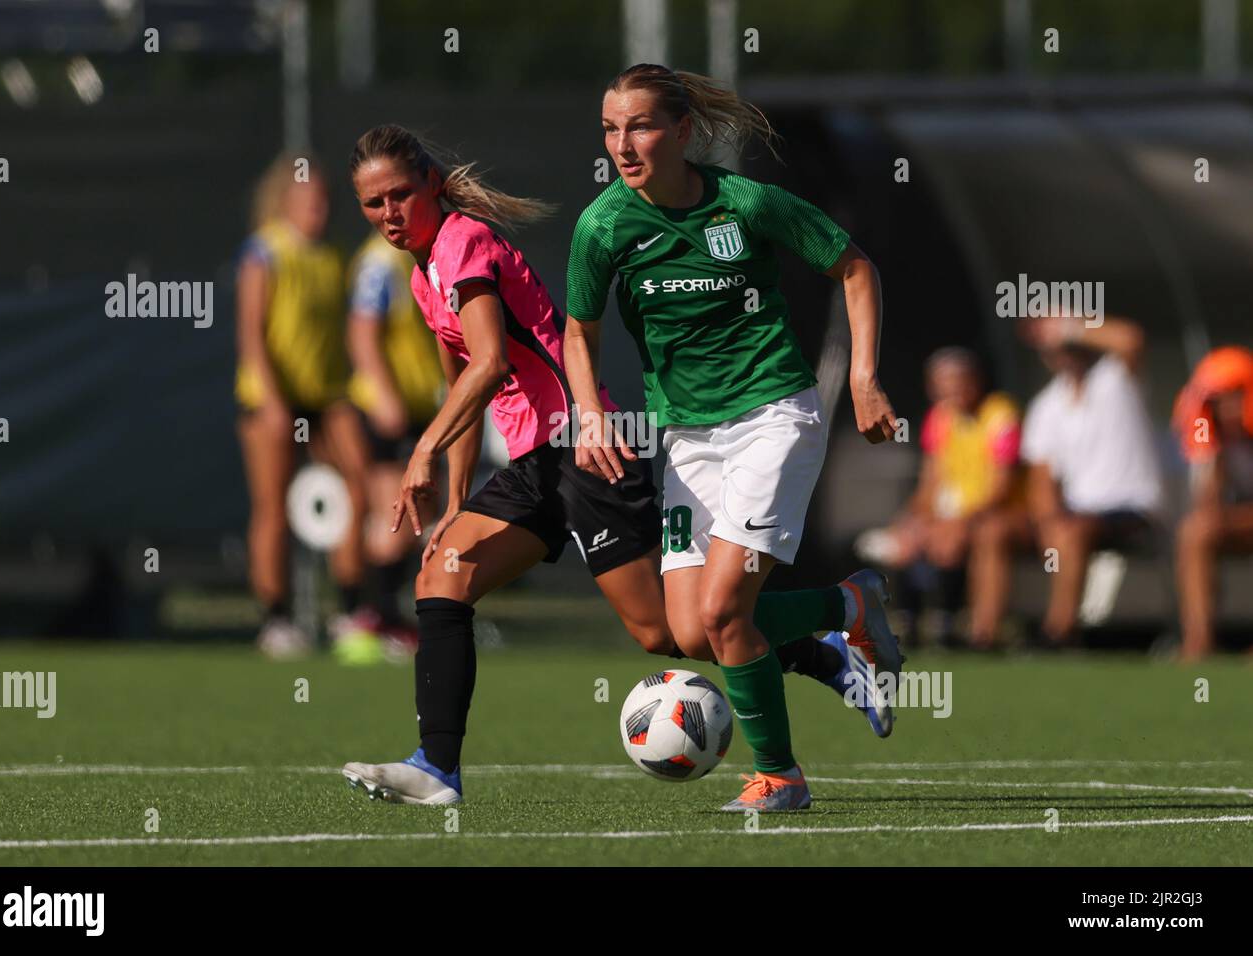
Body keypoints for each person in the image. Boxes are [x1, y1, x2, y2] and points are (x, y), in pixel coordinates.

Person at [340, 125, 891, 806]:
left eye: (399, 194)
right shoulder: (423, 272)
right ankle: (437, 767)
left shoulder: (463, 243)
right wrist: (456, 498)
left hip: (586, 451)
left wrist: (421, 451)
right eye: (373, 204)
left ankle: (830, 635)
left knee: (672, 633)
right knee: (442, 579)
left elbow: (490, 365)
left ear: (430, 181)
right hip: (537, 463)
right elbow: (466, 386)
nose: (390, 213)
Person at [563, 64, 902, 813]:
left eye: (642, 125)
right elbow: (577, 332)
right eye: (611, 128)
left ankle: (781, 776)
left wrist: (864, 378)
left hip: (772, 417)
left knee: (723, 613)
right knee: (690, 632)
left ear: (683, 131)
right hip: (686, 438)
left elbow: (853, 266)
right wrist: (589, 413)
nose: (623, 143)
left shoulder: (744, 203)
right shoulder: (604, 225)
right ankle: (846, 607)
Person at [234, 155, 370, 659]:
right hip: (270, 397)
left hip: (327, 395)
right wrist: (272, 401)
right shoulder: (263, 253)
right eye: (308, 200)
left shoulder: (334, 257)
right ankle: (275, 620)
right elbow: (251, 336)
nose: (319, 209)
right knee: (273, 506)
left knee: (357, 486)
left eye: (325, 201)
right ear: (285, 202)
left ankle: (352, 613)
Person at [1010, 312, 1162, 646]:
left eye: (1069, 346)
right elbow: (1042, 482)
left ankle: (1059, 631)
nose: (1063, 354)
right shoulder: (1046, 405)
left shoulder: (1115, 380)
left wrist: (1066, 326)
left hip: (1131, 508)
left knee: (1072, 531)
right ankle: (983, 635)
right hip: (1077, 515)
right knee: (998, 532)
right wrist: (1048, 522)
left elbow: (1131, 338)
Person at [858, 348, 1024, 648]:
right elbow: (929, 486)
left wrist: (954, 523)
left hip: (992, 515)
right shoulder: (940, 418)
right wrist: (910, 521)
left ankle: (961, 628)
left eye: (960, 381)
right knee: (906, 540)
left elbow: (1001, 490)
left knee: (951, 541)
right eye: (944, 384)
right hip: (950, 516)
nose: (954, 390)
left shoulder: (1000, 414)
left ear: (977, 380)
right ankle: (907, 624)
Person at [338, 229, 447, 664]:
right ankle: (368, 619)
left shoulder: (417, 257)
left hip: (419, 409)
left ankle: (385, 616)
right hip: (387, 411)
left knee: (415, 518)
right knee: (394, 517)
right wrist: (385, 397)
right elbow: (362, 331)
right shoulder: (379, 262)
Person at [1172, 346, 1253, 661]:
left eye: (1233, 396)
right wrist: (1209, 448)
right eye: (1216, 401)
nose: (1224, 408)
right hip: (1242, 521)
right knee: (1195, 532)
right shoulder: (1215, 433)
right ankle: (1199, 643)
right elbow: (1206, 505)